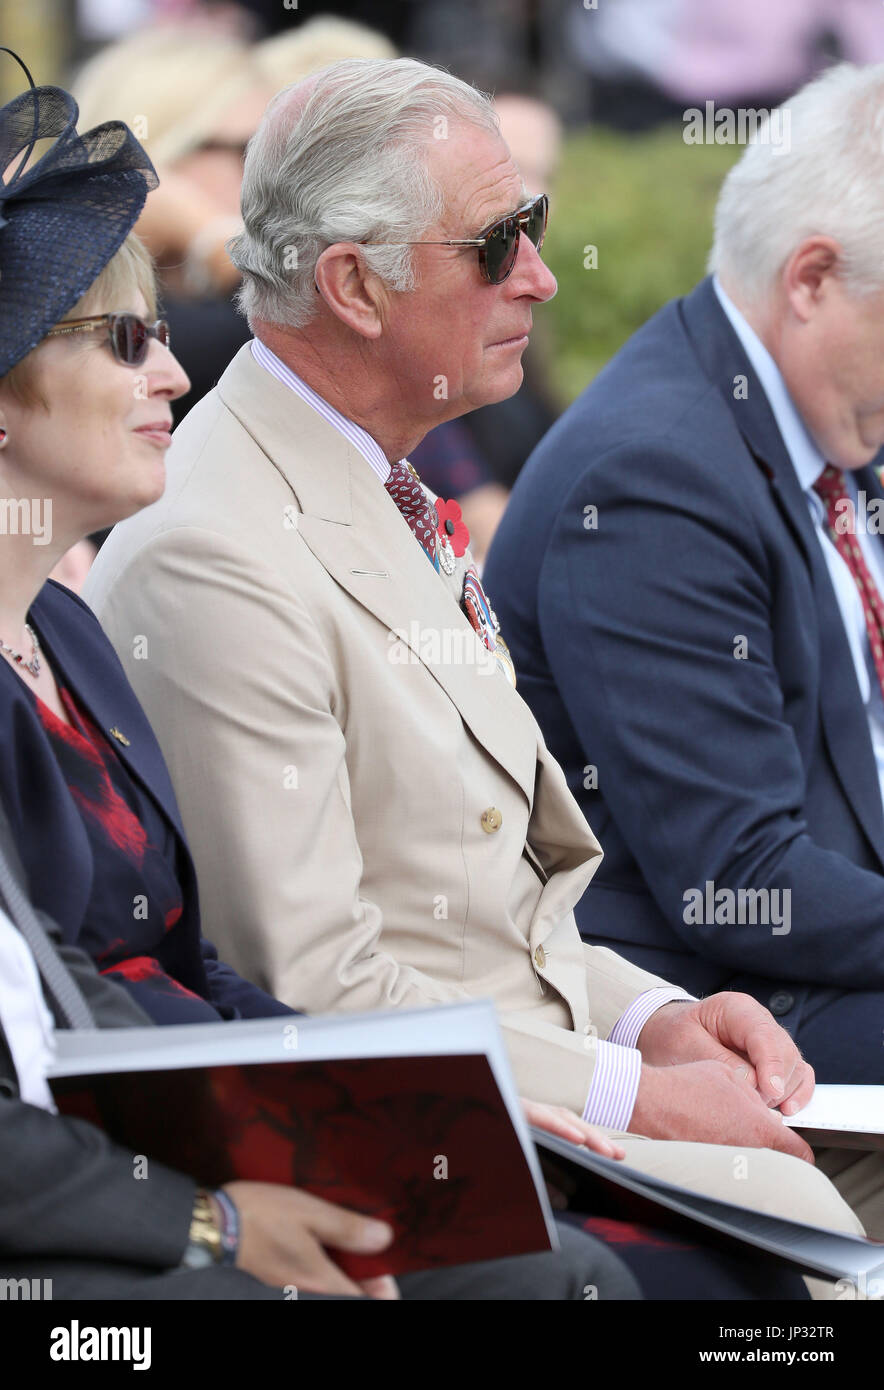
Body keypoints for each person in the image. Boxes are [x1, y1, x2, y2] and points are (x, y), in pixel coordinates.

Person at [84, 57, 877, 1281]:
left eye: (537, 227)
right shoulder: (216, 553)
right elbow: (312, 987)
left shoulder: (371, 480)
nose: (541, 275)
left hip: (520, 1084)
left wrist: (652, 1018)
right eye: (496, 242)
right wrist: (633, 1087)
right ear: (354, 284)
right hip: (431, 1142)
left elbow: (507, 918)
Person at [0, 66, 645, 1304]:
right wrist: (214, 1215)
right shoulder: (204, 554)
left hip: (209, 1122)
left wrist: (634, 1035)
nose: (174, 375)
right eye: (127, 341)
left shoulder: (68, 637)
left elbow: (166, 975)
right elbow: (240, 983)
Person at [484, 60, 884, 1226]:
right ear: (811, 278)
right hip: (724, 1002)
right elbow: (738, 882)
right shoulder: (656, 477)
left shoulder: (823, 423)